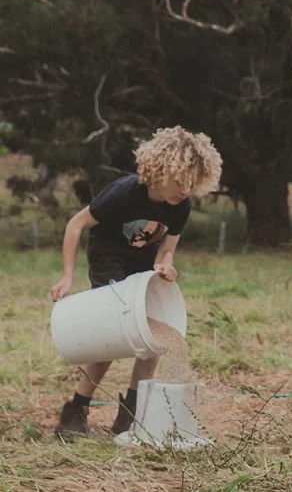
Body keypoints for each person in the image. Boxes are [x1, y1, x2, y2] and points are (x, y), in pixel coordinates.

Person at [50, 126, 222, 440]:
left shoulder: (181, 206)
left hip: (143, 268)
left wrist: (166, 265)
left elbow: (168, 248)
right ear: (160, 168)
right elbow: (76, 225)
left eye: (192, 184)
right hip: (109, 260)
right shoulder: (124, 193)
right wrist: (66, 275)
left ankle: (130, 415)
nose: (184, 190)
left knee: (152, 339)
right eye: (180, 181)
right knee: (111, 337)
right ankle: (75, 411)